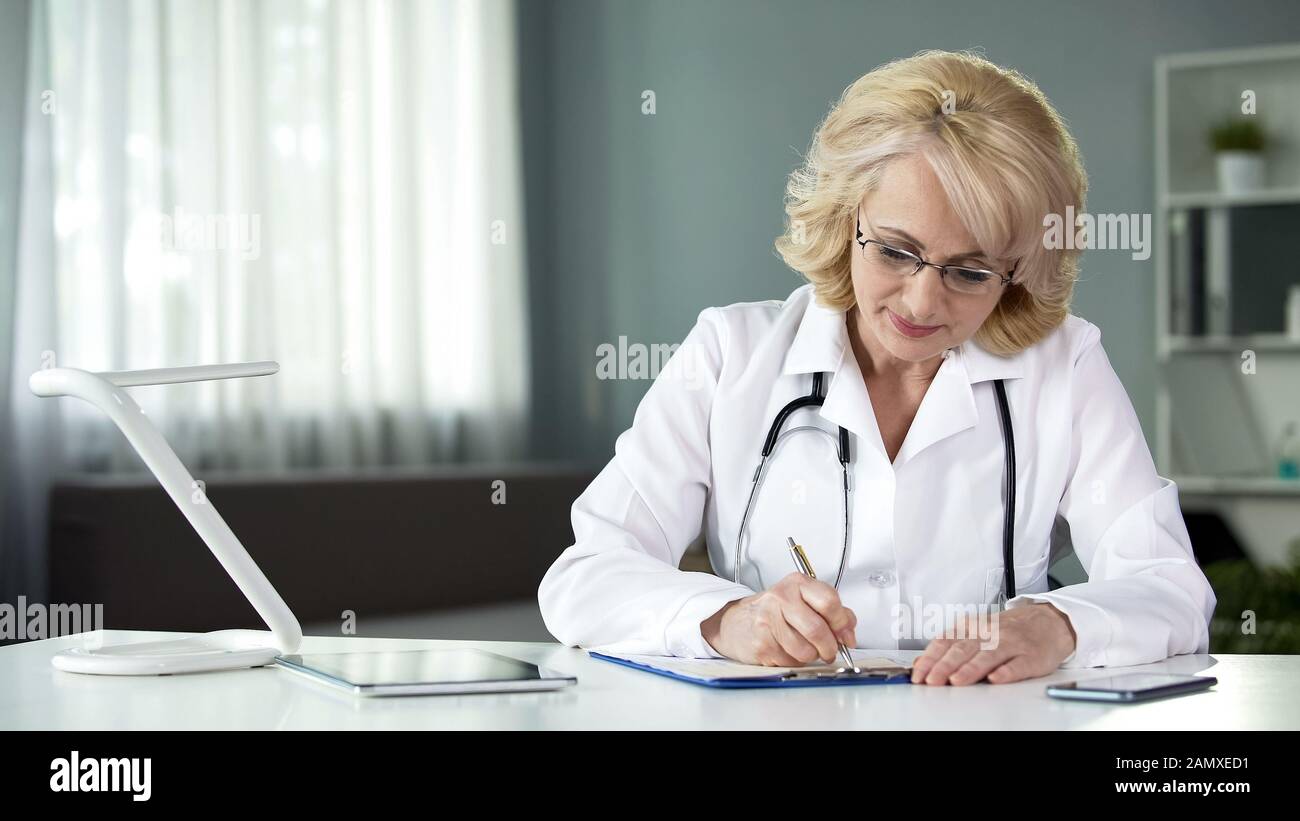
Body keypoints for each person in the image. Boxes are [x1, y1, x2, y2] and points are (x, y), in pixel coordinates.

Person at [538, 50, 1215, 686]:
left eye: (971, 270)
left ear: (1018, 272)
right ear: (845, 215)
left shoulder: (1062, 366)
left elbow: (1172, 587)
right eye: (895, 251)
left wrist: (1059, 624)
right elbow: (585, 576)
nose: (923, 300)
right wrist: (726, 619)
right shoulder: (729, 354)